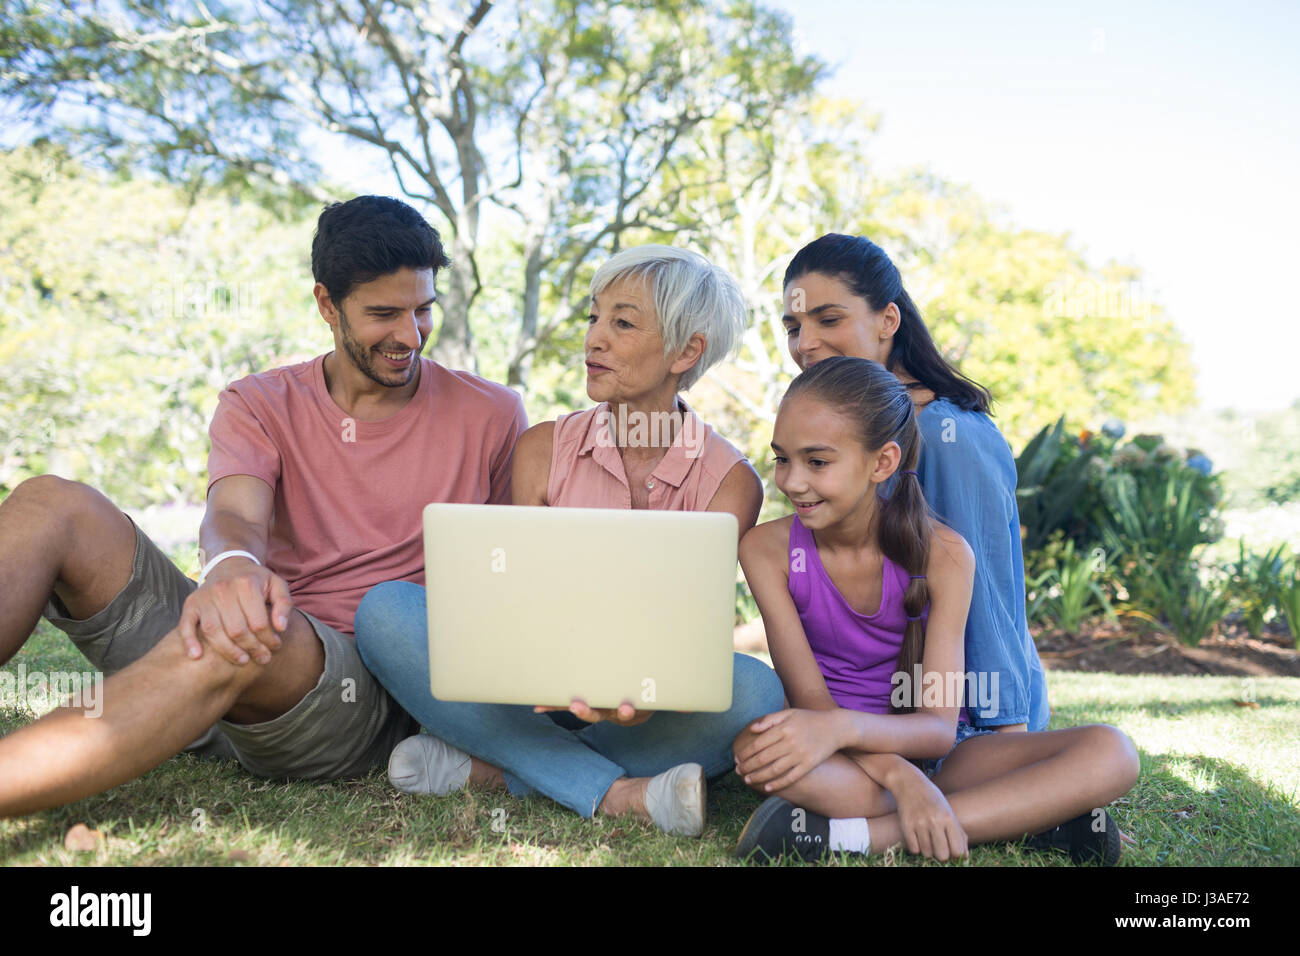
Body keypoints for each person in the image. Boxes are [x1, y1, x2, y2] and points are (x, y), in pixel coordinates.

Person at [0, 195, 527, 816]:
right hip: (223, 665)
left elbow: (508, 576)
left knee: (248, 632)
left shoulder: (492, 413)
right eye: (383, 314)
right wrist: (233, 565)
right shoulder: (260, 401)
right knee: (51, 503)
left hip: (350, 696)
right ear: (327, 304)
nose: (409, 336)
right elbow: (235, 515)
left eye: (423, 310)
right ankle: (185, 691)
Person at [355, 245, 785, 836]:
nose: (594, 339)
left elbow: (687, 634)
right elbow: (513, 599)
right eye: (593, 317)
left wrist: (643, 696)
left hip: (646, 702)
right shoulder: (542, 447)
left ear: (686, 352)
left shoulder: (731, 483)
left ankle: (503, 770)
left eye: (623, 323)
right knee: (385, 610)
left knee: (757, 691)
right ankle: (619, 792)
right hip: (531, 689)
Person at [732, 357, 1139, 863]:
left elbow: (938, 729)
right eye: (782, 459)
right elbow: (812, 705)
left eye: (816, 462)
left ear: (882, 462)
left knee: (1113, 752)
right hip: (842, 758)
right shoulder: (765, 550)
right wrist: (902, 780)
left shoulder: (945, 554)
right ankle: (1021, 815)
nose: (792, 481)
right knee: (755, 753)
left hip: (945, 756)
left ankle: (853, 838)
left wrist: (914, 775)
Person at [780, 233, 1049, 733]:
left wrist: (1003, 730)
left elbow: (987, 591)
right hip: (872, 712)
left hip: (965, 720)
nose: (805, 343)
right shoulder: (837, 431)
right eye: (793, 327)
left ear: (888, 320)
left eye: (828, 320)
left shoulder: (947, 434)